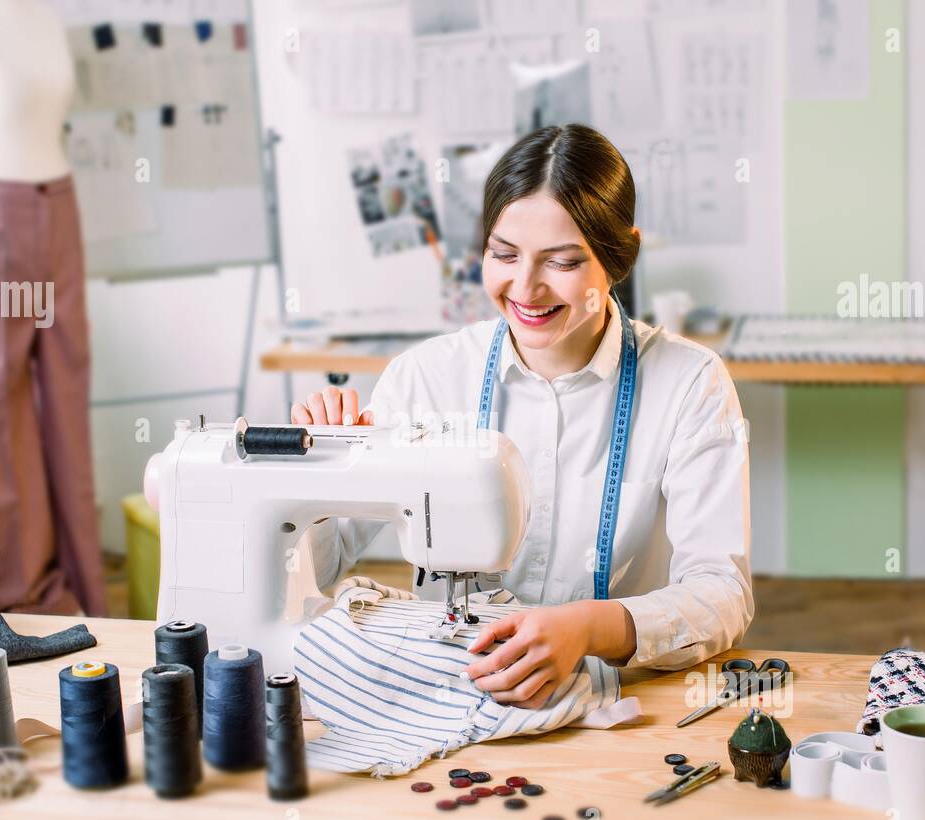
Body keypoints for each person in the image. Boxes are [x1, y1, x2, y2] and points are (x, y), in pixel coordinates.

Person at [296, 124, 752, 708]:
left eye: (561, 262)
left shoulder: (690, 384)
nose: (526, 289)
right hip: (446, 695)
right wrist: (314, 475)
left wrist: (588, 627)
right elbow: (322, 563)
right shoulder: (426, 379)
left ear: (620, 256)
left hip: (615, 707)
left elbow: (721, 593)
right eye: (503, 255)